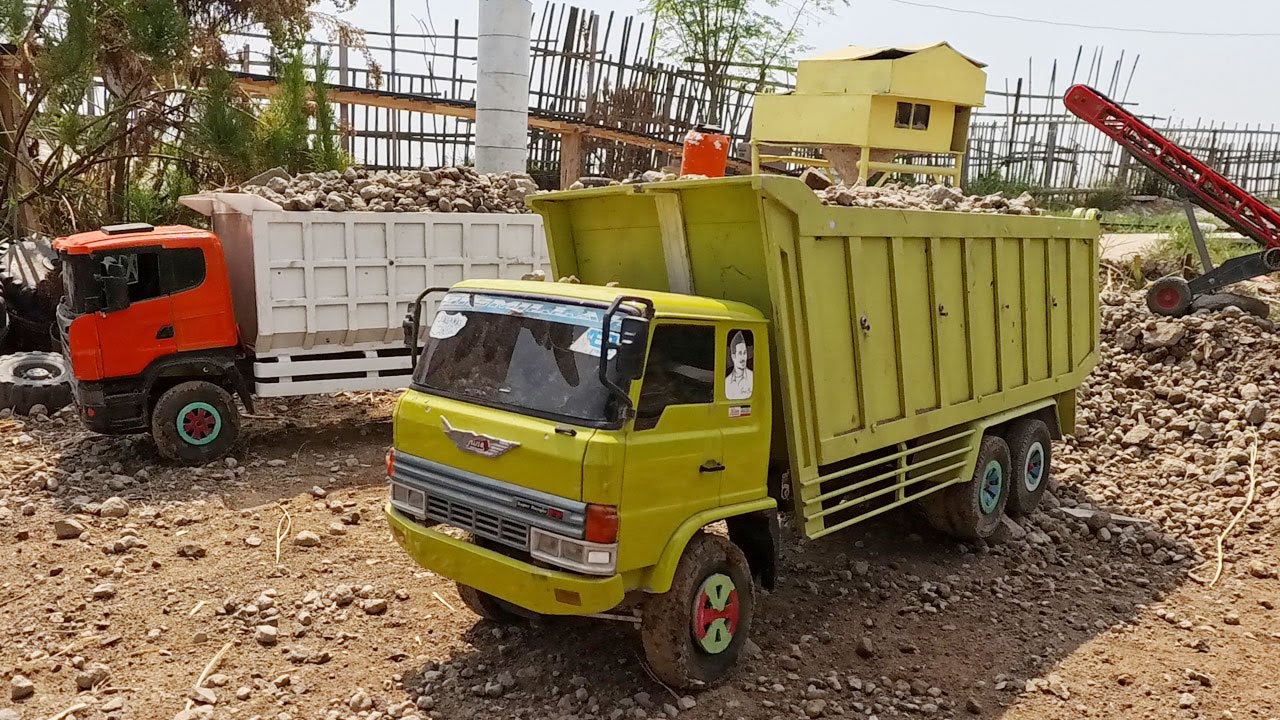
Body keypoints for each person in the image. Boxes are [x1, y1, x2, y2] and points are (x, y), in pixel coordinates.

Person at [725, 331, 753, 400]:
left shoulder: (754, 377)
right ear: (733, 356)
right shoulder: (726, 379)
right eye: (740, 353)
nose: (743, 357)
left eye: (745, 353)